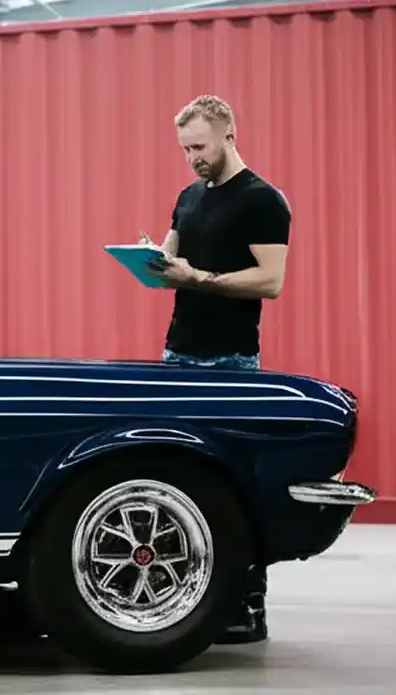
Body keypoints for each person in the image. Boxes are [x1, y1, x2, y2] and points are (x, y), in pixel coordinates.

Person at [145, 94, 292, 644]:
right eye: (185, 149)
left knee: (232, 485)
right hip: (178, 354)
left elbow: (270, 281)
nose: (193, 158)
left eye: (200, 147)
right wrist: (150, 263)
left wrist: (200, 278)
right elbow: (170, 263)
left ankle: (247, 606)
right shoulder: (187, 197)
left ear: (229, 135)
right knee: (180, 481)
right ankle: (189, 598)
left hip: (231, 360)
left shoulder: (262, 200)